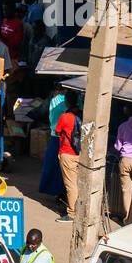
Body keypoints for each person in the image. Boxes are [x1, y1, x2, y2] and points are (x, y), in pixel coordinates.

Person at [54, 92, 82, 223]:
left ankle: (72, 213)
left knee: (70, 184)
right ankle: (79, 209)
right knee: (78, 183)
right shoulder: (82, 114)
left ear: (66, 102)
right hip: (81, 153)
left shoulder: (65, 117)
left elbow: (57, 131)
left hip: (68, 153)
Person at [38, 85, 67, 201]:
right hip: (64, 137)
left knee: (53, 165)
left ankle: (54, 191)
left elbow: (51, 117)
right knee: (63, 167)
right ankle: (61, 192)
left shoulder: (54, 100)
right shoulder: (66, 100)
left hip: (55, 134)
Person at [0, 3, 24, 69]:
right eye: (3, 10)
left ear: (12, 10)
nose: (4, 12)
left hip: (11, 58)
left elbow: (17, 44)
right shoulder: (4, 20)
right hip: (1, 55)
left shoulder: (18, 24)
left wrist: (2, 37)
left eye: (6, 10)